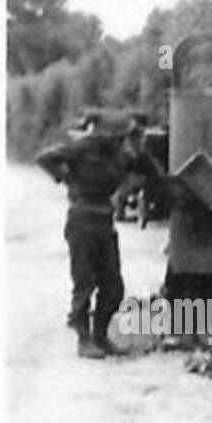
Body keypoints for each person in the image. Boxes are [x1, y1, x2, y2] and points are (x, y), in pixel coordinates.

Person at [36, 108, 159, 359]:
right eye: (120, 136)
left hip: (105, 222)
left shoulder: (120, 155)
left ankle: (101, 337)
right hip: (81, 220)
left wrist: (139, 146)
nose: (121, 140)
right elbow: (45, 158)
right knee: (84, 283)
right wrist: (65, 178)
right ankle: (84, 339)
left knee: (113, 286)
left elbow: (152, 171)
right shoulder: (82, 148)